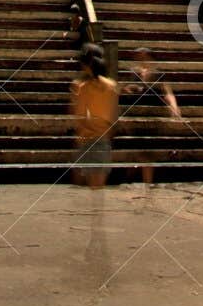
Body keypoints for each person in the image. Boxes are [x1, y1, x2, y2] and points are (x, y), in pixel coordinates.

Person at [127, 47, 180, 196]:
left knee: (148, 152)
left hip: (153, 115)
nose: (142, 59)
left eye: (144, 56)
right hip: (138, 115)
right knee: (141, 150)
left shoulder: (158, 74)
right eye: (139, 57)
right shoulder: (134, 73)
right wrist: (130, 89)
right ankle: (138, 172)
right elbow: (127, 88)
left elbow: (167, 91)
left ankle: (146, 183)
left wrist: (173, 106)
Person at [70, 43, 118, 188]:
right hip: (103, 138)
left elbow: (80, 116)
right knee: (98, 188)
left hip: (87, 138)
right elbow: (113, 116)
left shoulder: (82, 87)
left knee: (82, 186)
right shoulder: (112, 86)